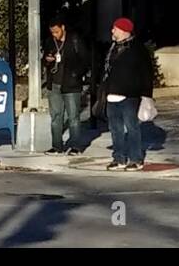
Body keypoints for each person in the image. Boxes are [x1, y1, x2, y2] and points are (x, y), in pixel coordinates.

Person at [100, 17, 153, 171]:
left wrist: (146, 94)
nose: (112, 31)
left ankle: (136, 159)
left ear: (124, 31)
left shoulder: (137, 48)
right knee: (115, 129)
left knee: (132, 127)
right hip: (112, 94)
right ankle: (119, 157)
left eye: (115, 28)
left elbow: (146, 72)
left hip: (130, 95)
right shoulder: (113, 48)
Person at [42, 17, 89, 154]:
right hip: (54, 83)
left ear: (63, 27)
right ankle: (56, 145)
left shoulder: (75, 40)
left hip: (71, 84)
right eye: (52, 32)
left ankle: (75, 146)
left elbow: (85, 60)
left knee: (73, 116)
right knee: (56, 116)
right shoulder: (50, 42)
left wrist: (76, 74)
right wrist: (47, 60)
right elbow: (45, 59)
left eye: (56, 31)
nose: (54, 35)